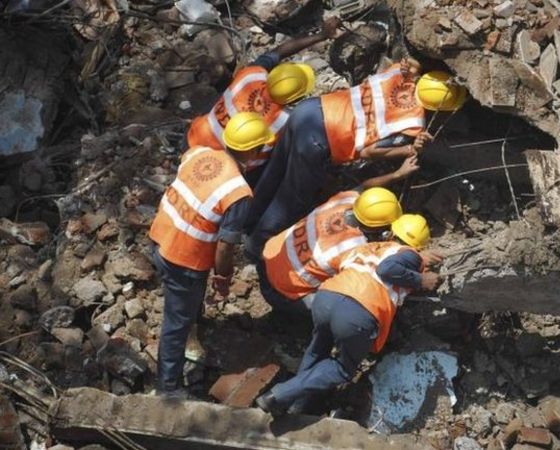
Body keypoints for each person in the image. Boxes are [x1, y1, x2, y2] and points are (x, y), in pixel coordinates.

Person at [243, 64, 467, 258]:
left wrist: (416, 66)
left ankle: (246, 221)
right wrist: (408, 148)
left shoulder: (400, 73)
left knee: (275, 171)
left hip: (310, 111)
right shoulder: (411, 124)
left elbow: (410, 64)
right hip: (319, 140)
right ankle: (255, 246)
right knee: (292, 198)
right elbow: (369, 151)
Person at [255, 214, 442, 415]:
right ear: (418, 245)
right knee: (343, 369)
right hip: (359, 309)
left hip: (327, 298)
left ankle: (297, 406)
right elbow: (387, 269)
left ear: (391, 232)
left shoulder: (365, 248)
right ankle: (278, 395)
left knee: (318, 350)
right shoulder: (409, 254)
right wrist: (421, 278)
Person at [149, 112, 271, 398]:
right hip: (184, 260)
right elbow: (225, 247)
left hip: (160, 237)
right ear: (253, 152)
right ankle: (168, 388)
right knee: (175, 326)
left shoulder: (199, 152)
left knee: (185, 308)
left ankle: (195, 317)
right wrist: (223, 276)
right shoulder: (238, 193)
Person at [186, 17, 341, 186]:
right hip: (224, 171)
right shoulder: (285, 122)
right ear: (296, 98)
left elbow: (278, 52)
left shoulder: (251, 75)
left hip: (195, 138)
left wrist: (321, 35)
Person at [258, 183, 413, 314]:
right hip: (283, 293)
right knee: (355, 304)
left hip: (266, 257)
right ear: (380, 229)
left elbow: (365, 185)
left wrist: (397, 175)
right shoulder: (356, 248)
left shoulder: (345, 200)